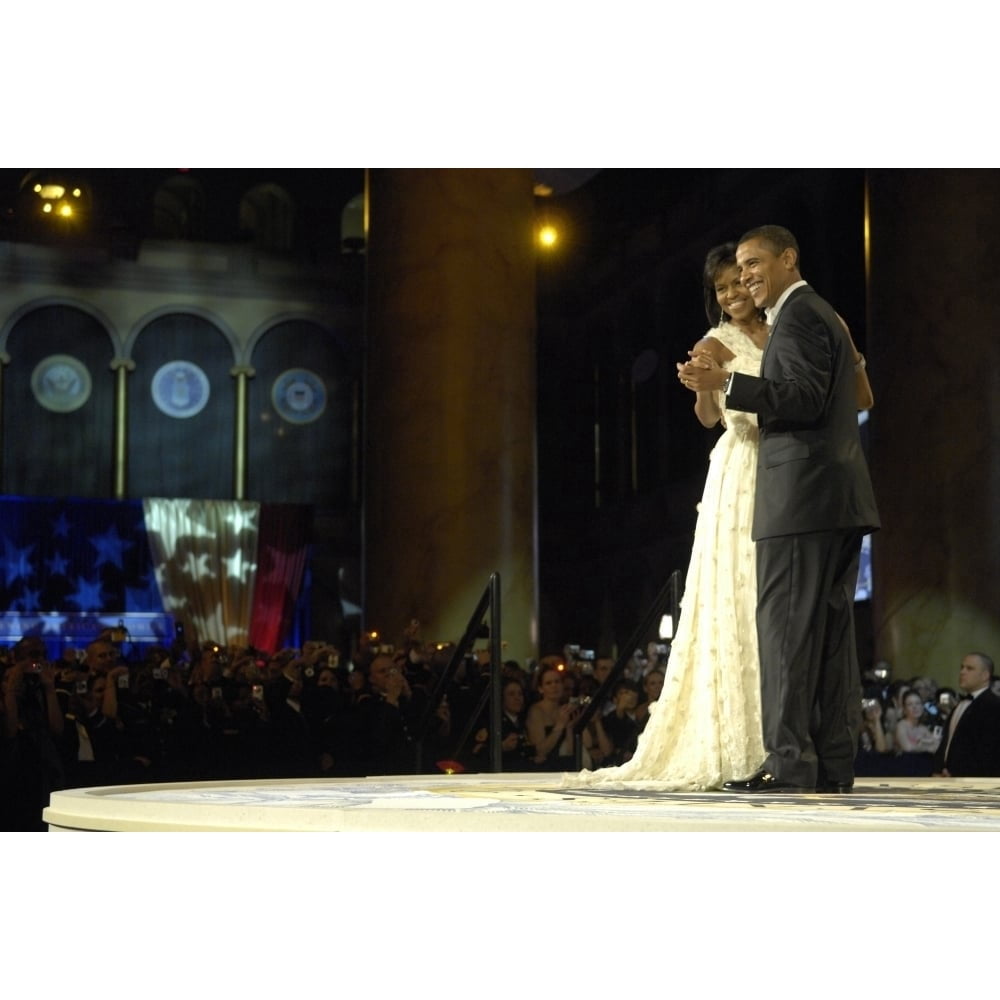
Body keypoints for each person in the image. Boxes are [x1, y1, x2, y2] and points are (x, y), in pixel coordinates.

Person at [682, 225, 880, 793]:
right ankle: (832, 765)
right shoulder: (820, 314)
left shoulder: (796, 317)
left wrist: (728, 382)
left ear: (787, 259)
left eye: (752, 264)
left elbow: (804, 398)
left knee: (787, 633)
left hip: (797, 494)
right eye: (735, 272)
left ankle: (790, 765)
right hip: (832, 496)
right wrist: (712, 385)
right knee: (831, 639)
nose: (743, 279)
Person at [933, 652, 1000, 777]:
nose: (962, 672)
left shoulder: (994, 706)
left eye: (969, 668)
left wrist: (958, 775)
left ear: (985, 675)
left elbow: (989, 751)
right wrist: (938, 770)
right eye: (962, 667)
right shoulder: (960, 704)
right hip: (946, 779)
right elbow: (947, 742)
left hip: (974, 782)